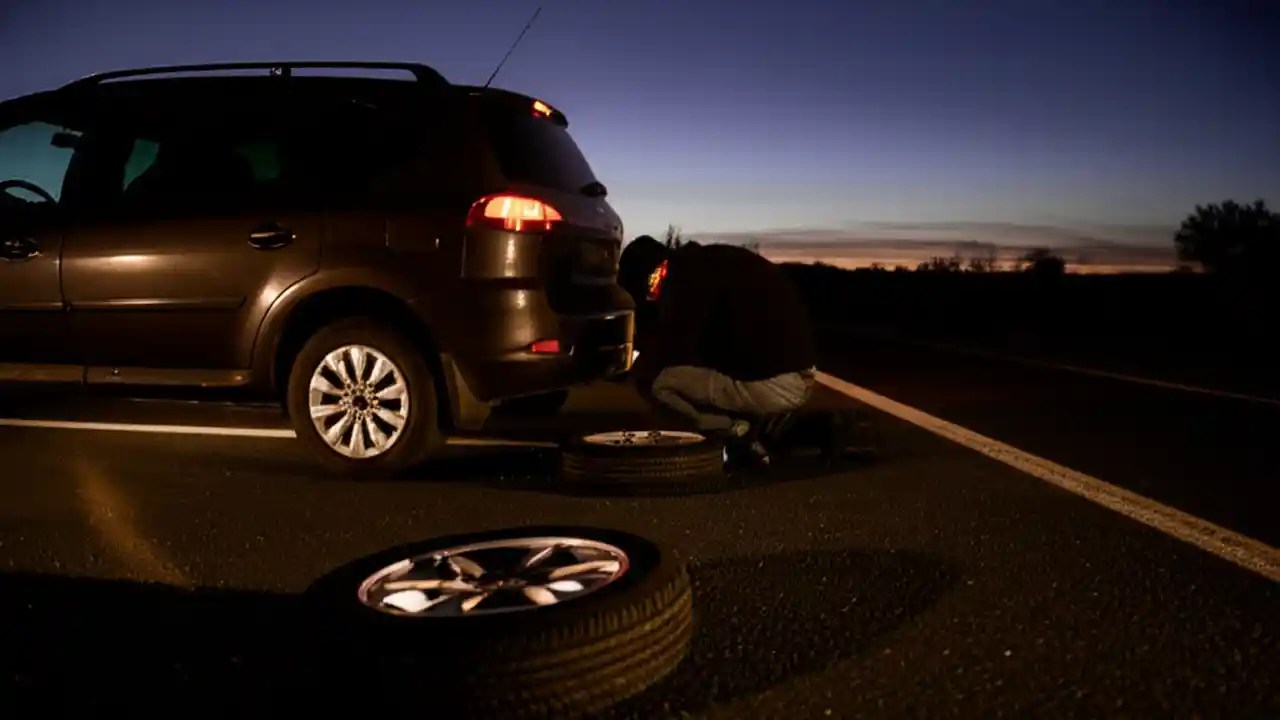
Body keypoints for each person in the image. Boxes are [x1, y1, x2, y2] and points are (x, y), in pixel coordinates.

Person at [617, 235, 818, 466]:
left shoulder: (684, 281)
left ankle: (734, 432)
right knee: (696, 372)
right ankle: (755, 422)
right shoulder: (707, 262)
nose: (651, 296)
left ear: (654, 272)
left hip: (778, 382)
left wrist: (631, 364)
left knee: (657, 383)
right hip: (795, 371)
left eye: (648, 288)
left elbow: (678, 351)